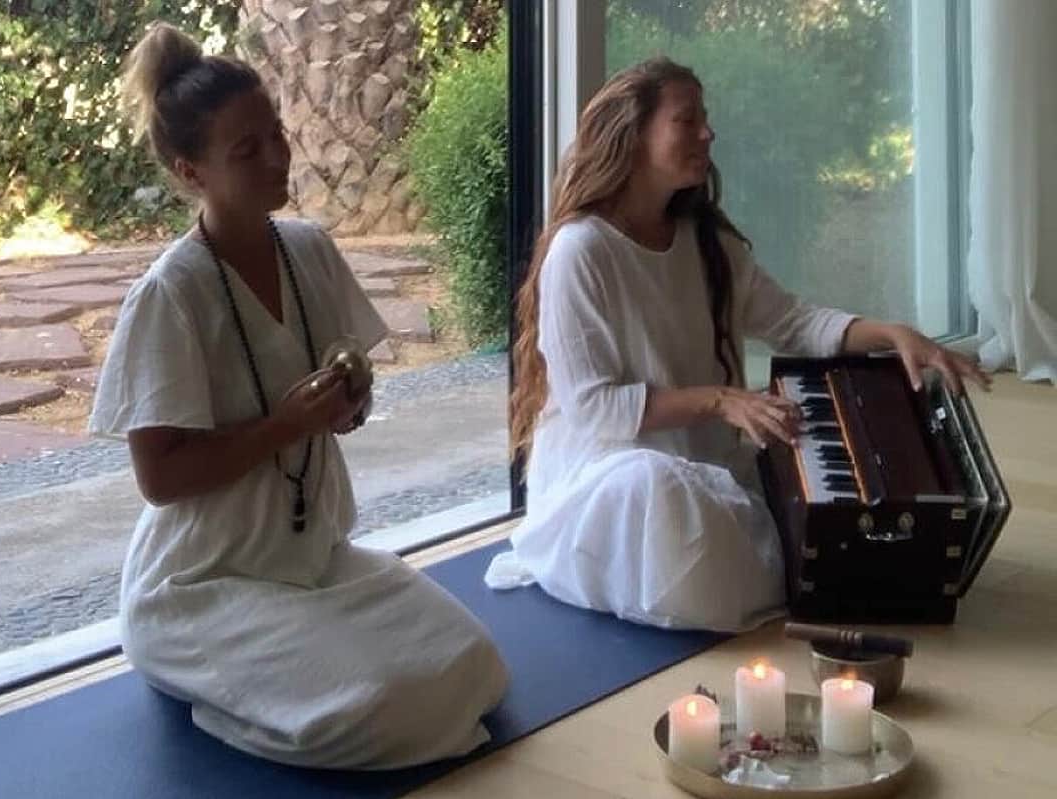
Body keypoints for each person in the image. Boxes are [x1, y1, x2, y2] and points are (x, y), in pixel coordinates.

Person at [90, 23, 506, 769]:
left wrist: (347, 402)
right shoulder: (170, 295)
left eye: (275, 132)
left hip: (311, 558)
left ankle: (284, 689)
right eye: (247, 149)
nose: (279, 154)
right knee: (376, 705)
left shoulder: (308, 249)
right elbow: (160, 478)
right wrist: (285, 425)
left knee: (473, 664)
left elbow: (340, 408)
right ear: (191, 172)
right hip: (201, 586)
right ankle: (227, 710)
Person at [484, 57, 990, 633]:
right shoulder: (581, 251)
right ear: (634, 133)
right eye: (688, 119)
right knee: (655, 487)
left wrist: (894, 334)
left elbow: (796, 322)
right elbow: (595, 407)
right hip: (606, 478)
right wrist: (722, 401)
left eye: (706, 117)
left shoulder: (706, 241)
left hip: (708, 470)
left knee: (793, 506)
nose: (708, 132)